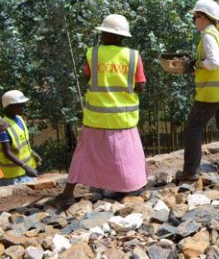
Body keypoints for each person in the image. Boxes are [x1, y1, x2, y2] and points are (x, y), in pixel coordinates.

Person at [50, 14, 147, 206]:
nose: (101, 36)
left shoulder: (92, 54)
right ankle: (129, 188)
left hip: (96, 118)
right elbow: (141, 85)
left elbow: (89, 78)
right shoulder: (133, 56)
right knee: (125, 154)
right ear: (122, 37)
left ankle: (68, 193)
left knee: (83, 153)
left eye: (103, 32)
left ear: (106, 35)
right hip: (123, 118)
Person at [177, 0, 219, 181]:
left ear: (204, 17)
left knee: (193, 128)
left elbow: (214, 63)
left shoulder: (207, 35)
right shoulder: (217, 34)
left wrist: (195, 64)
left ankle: (191, 171)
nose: (194, 21)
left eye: (195, 17)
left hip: (214, 92)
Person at [0, 90, 40, 186]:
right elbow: (7, 152)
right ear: (9, 107)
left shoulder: (20, 119)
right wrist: (25, 166)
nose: (23, 107)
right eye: (20, 105)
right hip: (13, 177)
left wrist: (33, 153)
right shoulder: (3, 127)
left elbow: (23, 143)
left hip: (27, 172)